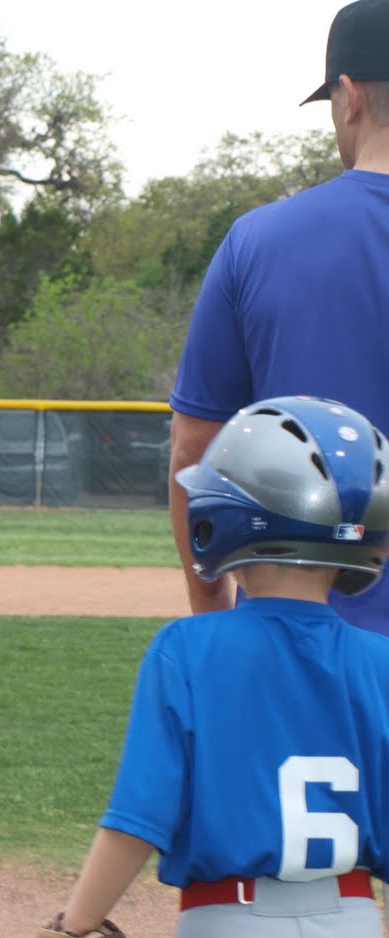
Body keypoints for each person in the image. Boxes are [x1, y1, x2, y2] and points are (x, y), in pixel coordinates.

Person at [50, 397, 389, 938]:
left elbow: (137, 821)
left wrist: (73, 928)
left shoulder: (186, 649)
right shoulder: (378, 664)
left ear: (224, 520)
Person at [168, 0, 389, 634]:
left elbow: (194, 447)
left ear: (347, 98)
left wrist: (211, 619)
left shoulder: (259, 241)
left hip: (296, 640)